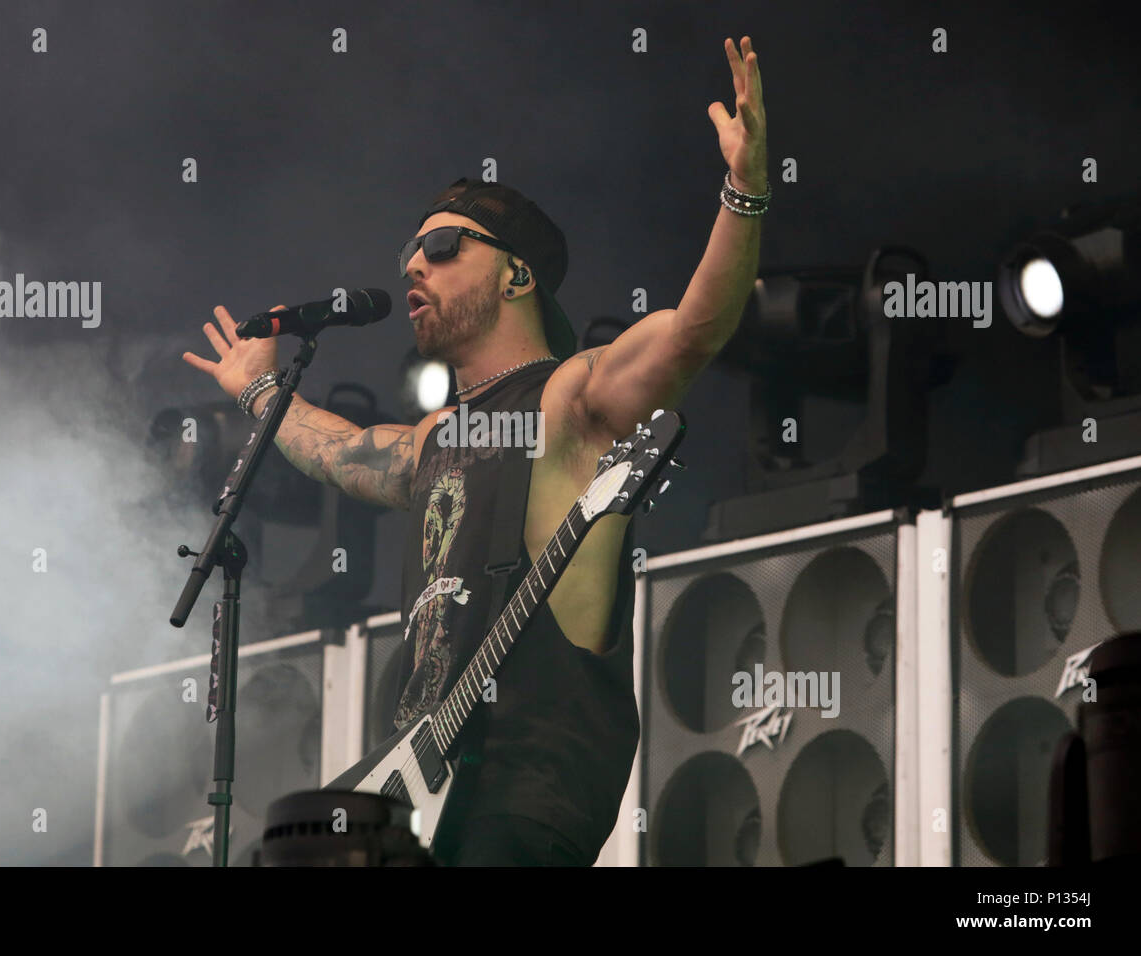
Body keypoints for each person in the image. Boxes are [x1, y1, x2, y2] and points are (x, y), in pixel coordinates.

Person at [184, 36, 769, 865]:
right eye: (409, 254)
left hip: (522, 795)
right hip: (415, 796)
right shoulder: (436, 438)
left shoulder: (569, 399)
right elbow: (339, 450)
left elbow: (694, 331)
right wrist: (258, 393)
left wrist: (744, 189)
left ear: (517, 277)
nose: (415, 267)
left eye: (445, 248)